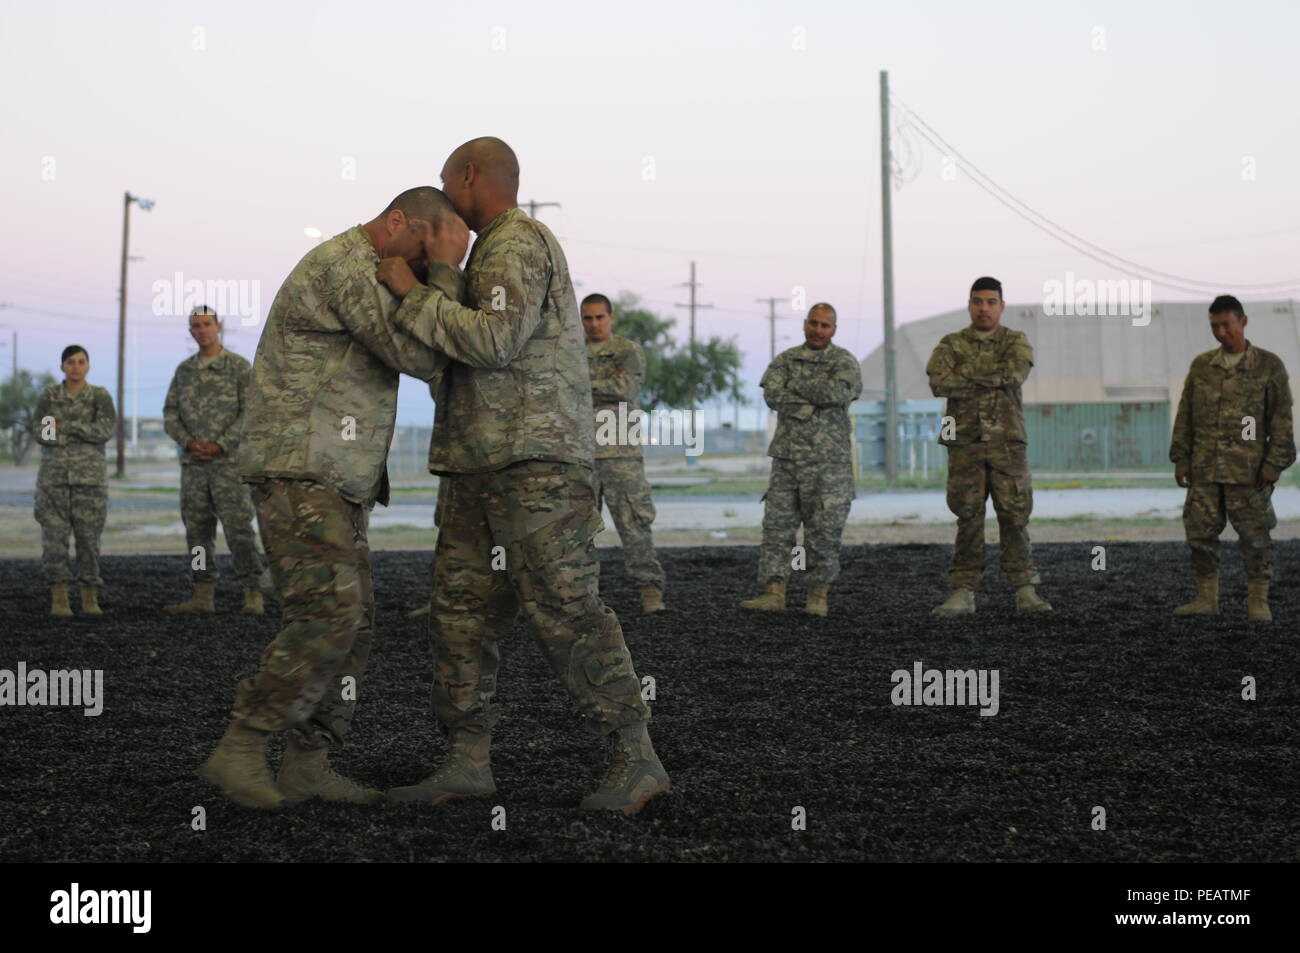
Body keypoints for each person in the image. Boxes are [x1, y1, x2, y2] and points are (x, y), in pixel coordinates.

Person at [377, 136, 669, 815]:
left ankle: (637, 755)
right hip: (478, 465)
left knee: (566, 611)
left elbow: (495, 340)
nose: (443, 195)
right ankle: (466, 761)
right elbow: (451, 355)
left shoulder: (516, 242)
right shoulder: (481, 254)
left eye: (449, 181)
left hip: (535, 467)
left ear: (471, 174)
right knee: (459, 618)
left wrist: (409, 293)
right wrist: (442, 279)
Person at [199, 187, 468, 810]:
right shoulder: (345, 266)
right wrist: (446, 279)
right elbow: (421, 354)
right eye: (426, 249)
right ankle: (243, 743)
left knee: (359, 627)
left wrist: (421, 279)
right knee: (330, 615)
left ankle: (308, 763)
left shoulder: (382, 270)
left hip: (337, 478)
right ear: (397, 222)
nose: (426, 266)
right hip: (301, 469)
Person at [927, 277, 1052, 616]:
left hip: (1006, 442)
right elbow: (938, 382)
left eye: (991, 302)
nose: (984, 308)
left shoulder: (1016, 341)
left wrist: (964, 375)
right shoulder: (950, 342)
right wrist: (987, 376)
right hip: (961, 441)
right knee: (967, 517)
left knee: (1014, 516)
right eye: (978, 301)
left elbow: (1014, 374)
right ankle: (963, 592)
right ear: (969, 304)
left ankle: (1025, 590)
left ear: (1001, 306)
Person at [1170, 295, 1295, 621]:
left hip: (1248, 472)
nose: (1221, 331)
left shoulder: (1268, 366)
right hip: (1204, 471)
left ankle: (1258, 601)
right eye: (1215, 326)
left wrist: (1273, 464)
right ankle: (1206, 598)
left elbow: (1281, 421)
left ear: (1243, 322)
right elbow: (1185, 414)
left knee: (1255, 538)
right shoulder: (1202, 366)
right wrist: (1181, 458)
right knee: (1199, 535)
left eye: (1226, 324)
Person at [739, 303, 861, 616]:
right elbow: (772, 395)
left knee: (823, 531)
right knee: (777, 528)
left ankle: (817, 596)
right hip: (787, 461)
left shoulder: (844, 361)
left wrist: (796, 386)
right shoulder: (785, 360)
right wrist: (814, 400)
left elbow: (839, 394)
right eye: (813, 323)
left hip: (829, 465)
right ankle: (773, 592)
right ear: (805, 324)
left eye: (825, 325)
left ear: (834, 330)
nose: (818, 330)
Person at [162, 306, 265, 615]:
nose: (202, 329)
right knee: (197, 535)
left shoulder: (238, 368)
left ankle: (252, 592)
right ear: (190, 331)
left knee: (239, 532)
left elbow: (250, 413)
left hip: (228, 468)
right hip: (194, 469)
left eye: (207, 323)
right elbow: (170, 414)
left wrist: (220, 445)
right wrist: (188, 441)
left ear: (219, 326)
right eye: (196, 325)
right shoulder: (184, 371)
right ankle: (202, 593)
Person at [582, 292, 666, 613]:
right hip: (581, 455)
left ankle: (650, 590)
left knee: (634, 525)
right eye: (588, 318)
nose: (594, 324)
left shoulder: (627, 351)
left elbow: (625, 390)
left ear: (611, 317)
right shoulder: (570, 351)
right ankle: (581, 596)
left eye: (600, 317)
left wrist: (583, 382)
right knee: (578, 531)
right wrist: (604, 380)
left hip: (622, 454)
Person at [33, 345, 115, 617]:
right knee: (54, 542)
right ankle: (59, 600)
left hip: (89, 483)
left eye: (81, 362)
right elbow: (42, 433)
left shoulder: (100, 397)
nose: (76, 366)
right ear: (62, 367)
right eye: (70, 362)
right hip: (53, 481)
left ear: (88, 366)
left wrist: (66, 426)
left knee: (88, 541)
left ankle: (89, 598)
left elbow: (104, 431)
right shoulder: (49, 396)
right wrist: (79, 431)